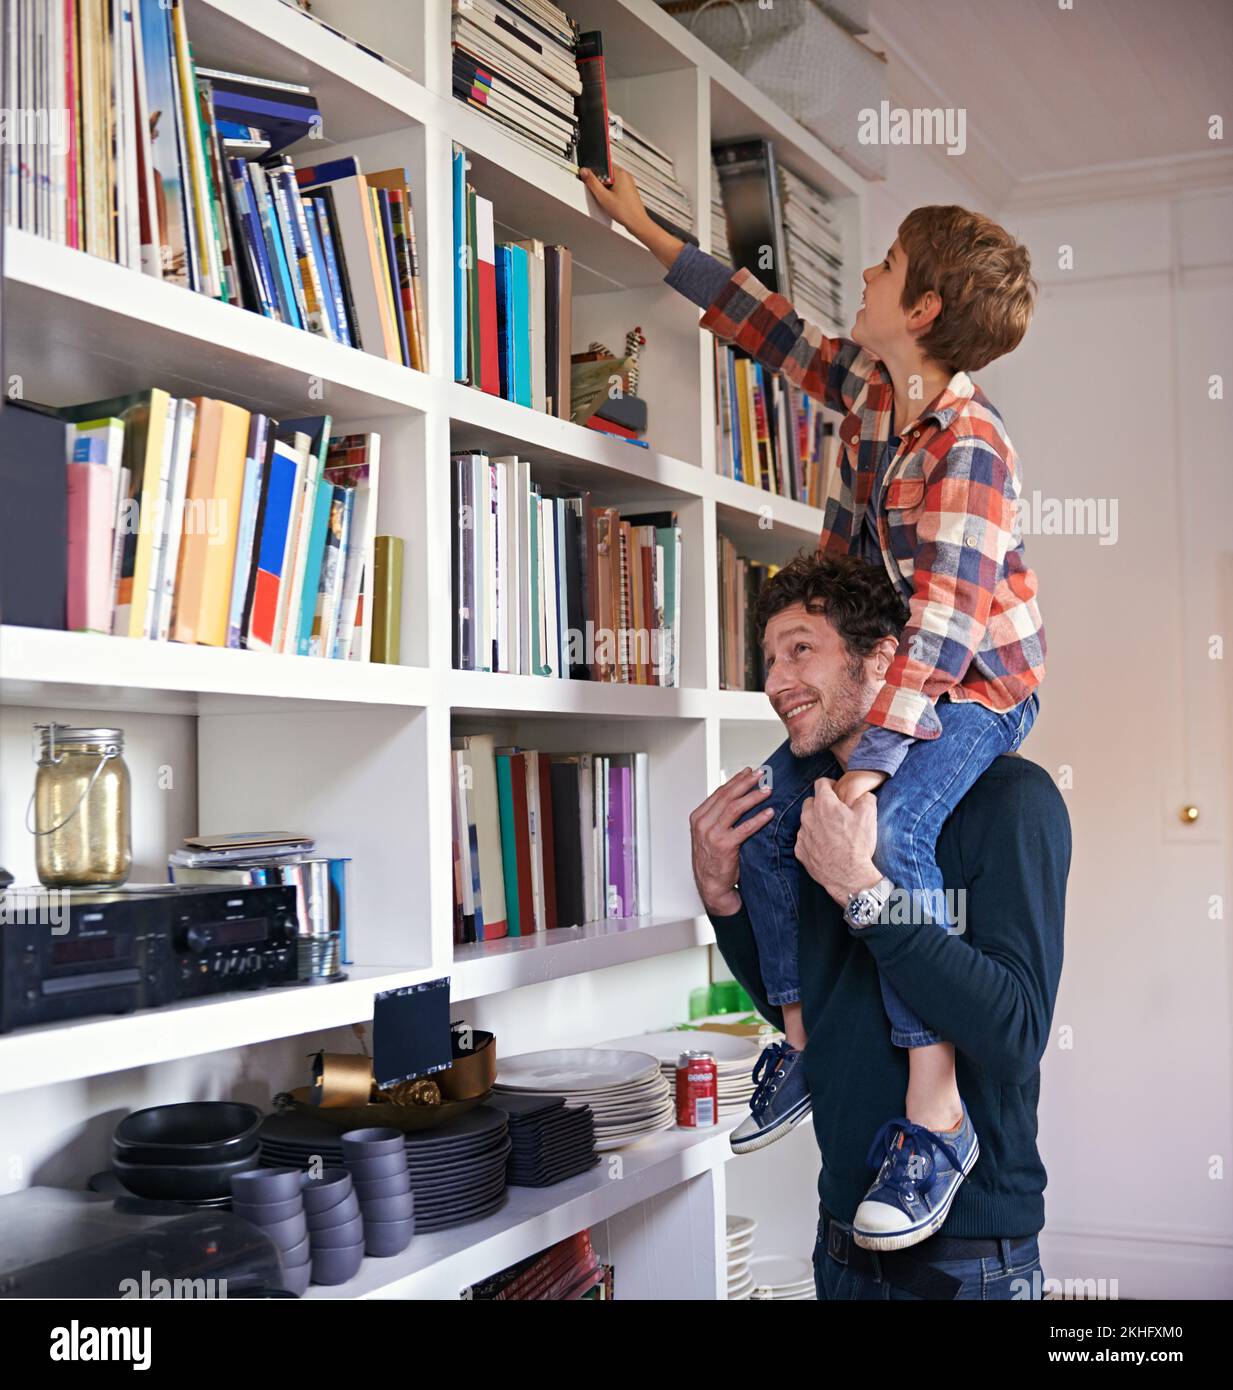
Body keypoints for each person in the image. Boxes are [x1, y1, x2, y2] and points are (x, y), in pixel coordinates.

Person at [582, 165, 1047, 1250]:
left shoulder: (973, 447)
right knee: (768, 812)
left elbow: (941, 626)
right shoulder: (872, 388)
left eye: (884, 266)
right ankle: (797, 1032)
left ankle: (935, 1107)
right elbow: (766, 324)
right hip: (898, 667)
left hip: (979, 681)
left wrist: (871, 767)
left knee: (891, 828)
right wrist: (645, 226)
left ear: (923, 308)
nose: (868, 274)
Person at [688, 550, 1069, 1299]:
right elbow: (809, 1015)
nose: (774, 684)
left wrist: (864, 891)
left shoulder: (1011, 802)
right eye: (767, 660)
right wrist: (721, 896)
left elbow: (1013, 1034)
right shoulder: (806, 816)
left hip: (967, 1259)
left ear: (883, 660)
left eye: (801, 649)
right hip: (839, 1240)